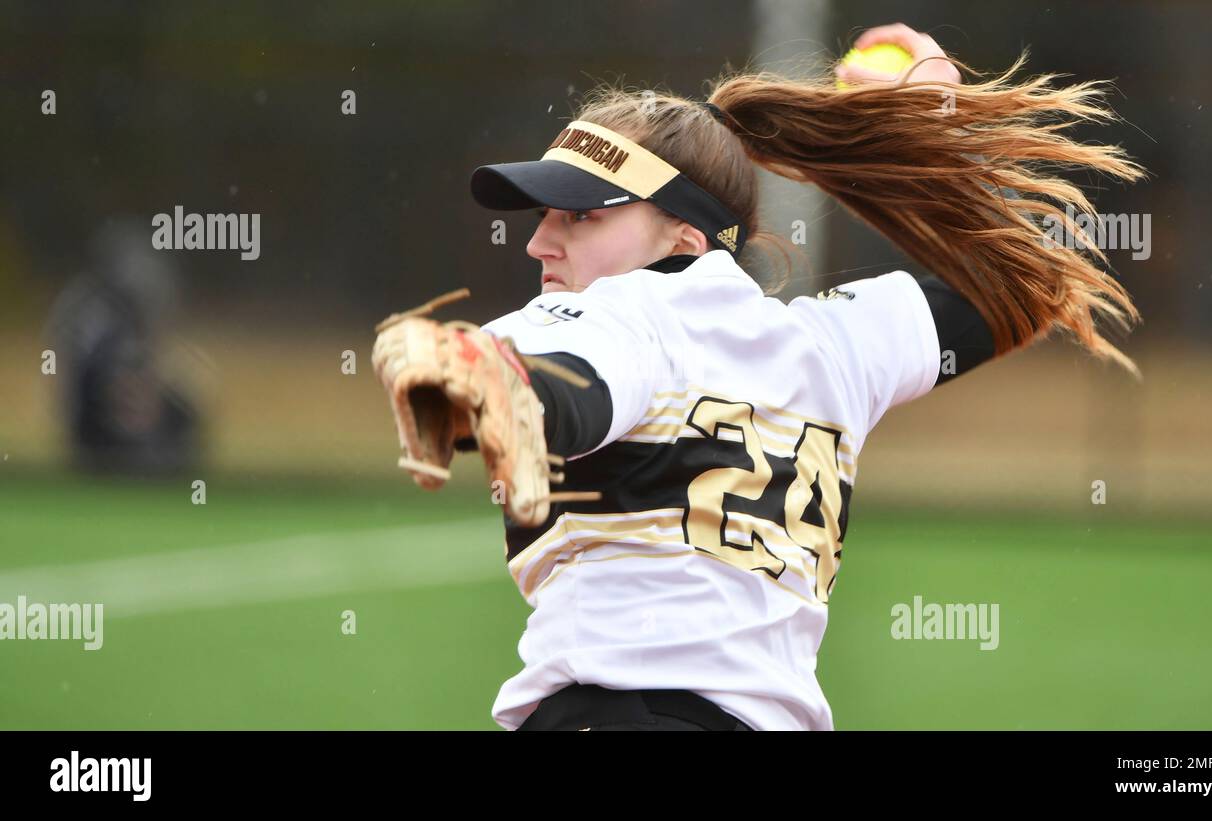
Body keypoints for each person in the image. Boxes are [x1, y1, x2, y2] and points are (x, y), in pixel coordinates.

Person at [372, 23, 1143, 730]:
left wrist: (503, 382)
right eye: (544, 212)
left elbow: (572, 384)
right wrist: (937, 129)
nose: (541, 240)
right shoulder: (834, 343)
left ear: (684, 237)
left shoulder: (619, 311)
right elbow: (1021, 280)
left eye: (582, 214)